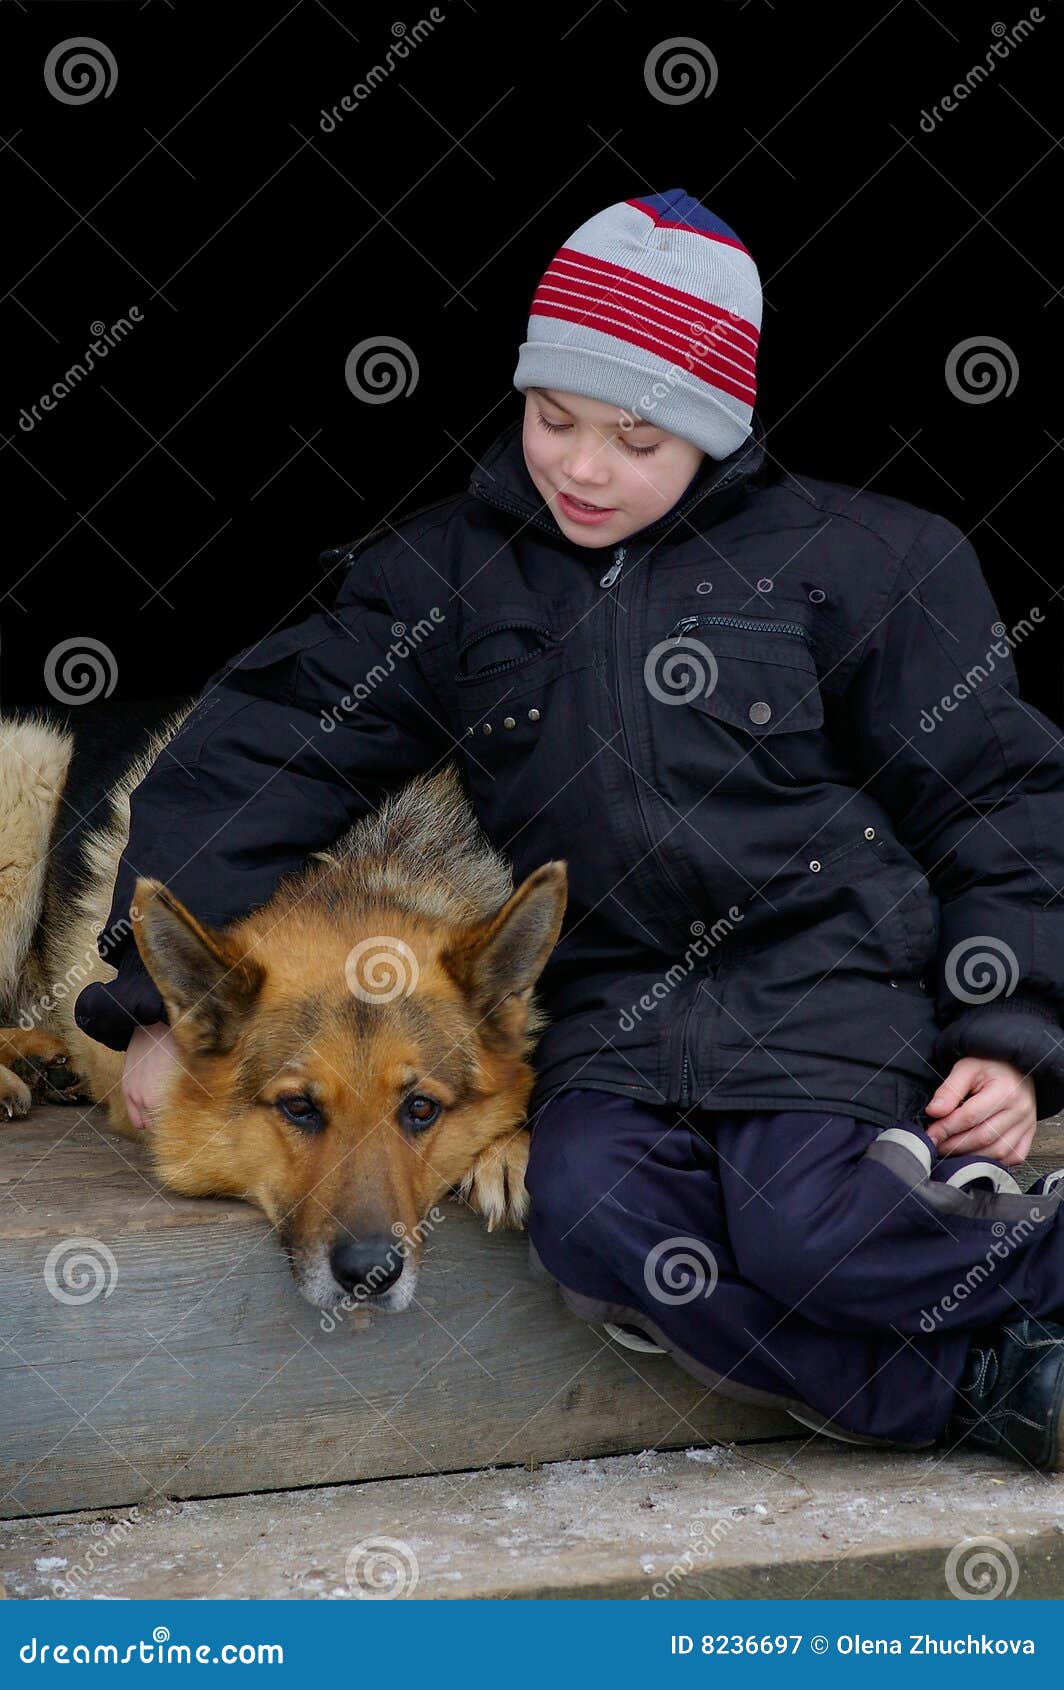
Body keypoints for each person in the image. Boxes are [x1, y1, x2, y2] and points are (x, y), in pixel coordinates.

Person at [74, 188, 1064, 1470]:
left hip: (825, 986)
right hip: (613, 1006)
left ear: (720, 430)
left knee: (801, 1234)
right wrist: (141, 1005)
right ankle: (977, 1388)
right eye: (554, 419)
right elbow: (267, 750)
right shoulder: (451, 576)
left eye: (637, 439)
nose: (582, 468)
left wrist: (1011, 1026)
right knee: (587, 1218)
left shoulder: (871, 562)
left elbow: (996, 792)